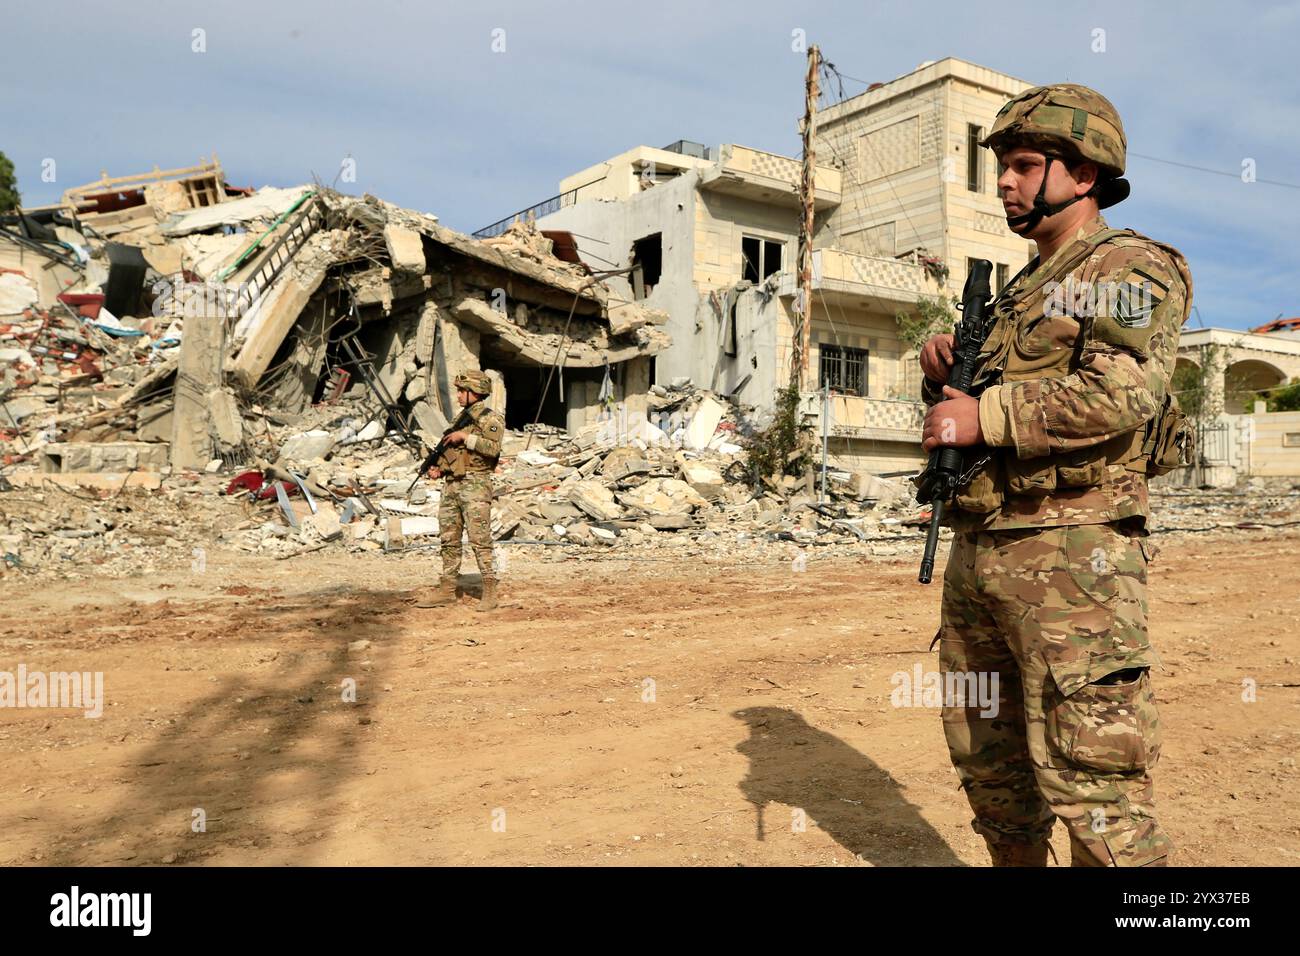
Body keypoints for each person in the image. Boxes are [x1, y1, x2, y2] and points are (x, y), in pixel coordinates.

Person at [918, 83, 1192, 866]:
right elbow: (970, 421)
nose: (1004, 181)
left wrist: (986, 415)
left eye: (1024, 164)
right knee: (993, 774)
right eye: (1002, 166)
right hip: (981, 552)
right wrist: (946, 378)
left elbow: (1126, 393)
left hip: (1074, 560)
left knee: (1094, 785)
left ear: (1084, 172)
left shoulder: (1125, 266)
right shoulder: (1016, 294)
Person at [414, 370, 505, 612]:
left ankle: (489, 590)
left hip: (476, 484)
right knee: (449, 539)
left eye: (462, 391)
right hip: (453, 484)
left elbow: (493, 449)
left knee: (480, 539)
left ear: (476, 392)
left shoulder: (489, 419)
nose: (458, 396)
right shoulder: (459, 419)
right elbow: (455, 456)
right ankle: (446, 590)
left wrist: (466, 437)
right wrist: (439, 469)